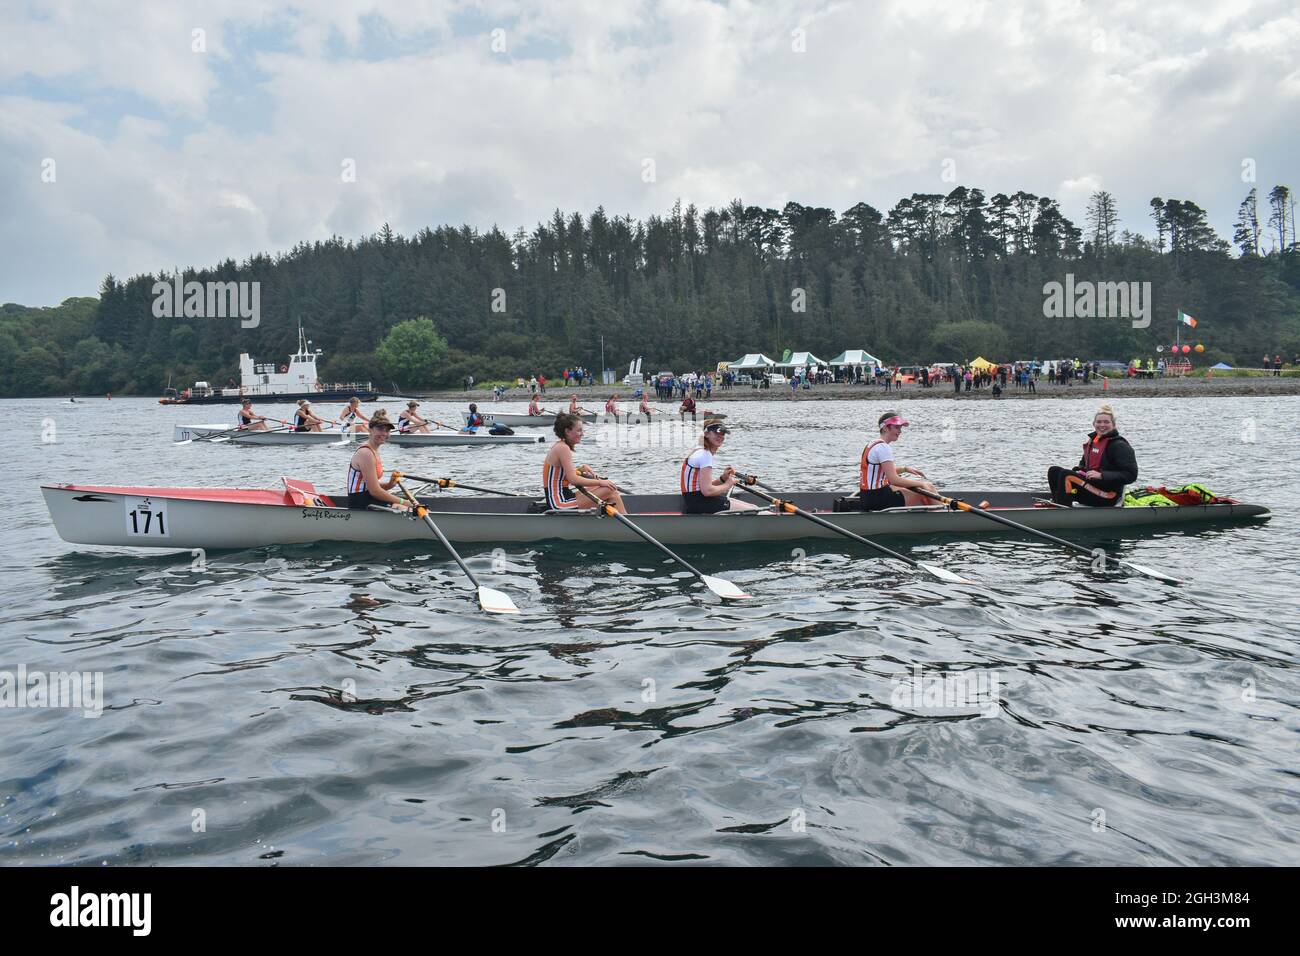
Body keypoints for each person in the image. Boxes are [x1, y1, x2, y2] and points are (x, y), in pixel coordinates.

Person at [1047, 404, 1137, 507]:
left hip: (1108, 495)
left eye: (1106, 422)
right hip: (1091, 488)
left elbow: (1131, 475)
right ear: (1094, 424)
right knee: (1054, 471)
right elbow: (1082, 465)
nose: (1102, 425)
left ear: (1114, 425)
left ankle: (1062, 512)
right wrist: (1079, 470)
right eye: (1099, 422)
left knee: (1066, 475)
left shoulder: (1119, 446)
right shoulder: (1093, 442)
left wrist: (1101, 475)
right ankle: (1058, 503)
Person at [541, 412, 626, 513]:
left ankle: (625, 519)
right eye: (579, 430)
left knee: (610, 491)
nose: (582, 434)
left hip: (564, 496)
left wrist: (580, 469)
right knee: (609, 489)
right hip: (559, 503)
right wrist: (600, 481)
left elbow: (563, 474)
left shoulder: (560, 446)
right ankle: (629, 522)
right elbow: (573, 479)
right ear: (568, 431)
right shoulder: (562, 448)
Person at [857, 412, 939, 510]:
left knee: (914, 488)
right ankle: (940, 514)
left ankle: (932, 512)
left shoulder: (872, 444)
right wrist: (921, 484)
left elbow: (882, 472)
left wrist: (905, 469)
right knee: (925, 488)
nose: (900, 431)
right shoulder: (883, 448)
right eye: (896, 427)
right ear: (885, 428)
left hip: (867, 497)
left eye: (900, 428)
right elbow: (893, 479)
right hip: (877, 500)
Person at [680, 420, 759, 514]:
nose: (720, 437)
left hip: (695, 501)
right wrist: (728, 484)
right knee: (753, 511)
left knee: (753, 507)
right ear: (706, 434)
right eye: (717, 433)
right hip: (700, 503)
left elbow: (702, 487)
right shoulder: (705, 455)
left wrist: (722, 479)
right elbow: (707, 491)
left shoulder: (699, 450)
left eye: (723, 434)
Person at [345, 410, 407, 511]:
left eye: (387, 430)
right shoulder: (366, 453)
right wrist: (403, 502)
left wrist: (389, 485)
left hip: (368, 498)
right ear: (370, 430)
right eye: (380, 429)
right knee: (407, 507)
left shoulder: (373, 451)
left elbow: (369, 486)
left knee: (408, 505)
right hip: (360, 503)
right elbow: (374, 491)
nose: (384, 433)